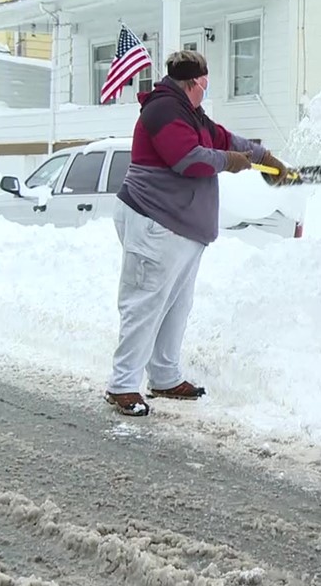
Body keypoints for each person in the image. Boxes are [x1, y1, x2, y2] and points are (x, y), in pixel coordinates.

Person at [104, 49, 290, 417]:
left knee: (176, 304)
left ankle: (165, 376)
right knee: (145, 303)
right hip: (153, 221)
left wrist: (262, 155)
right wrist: (231, 162)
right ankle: (123, 385)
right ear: (193, 82)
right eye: (205, 83)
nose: (207, 90)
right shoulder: (162, 111)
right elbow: (188, 159)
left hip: (181, 228)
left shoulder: (188, 112)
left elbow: (220, 136)